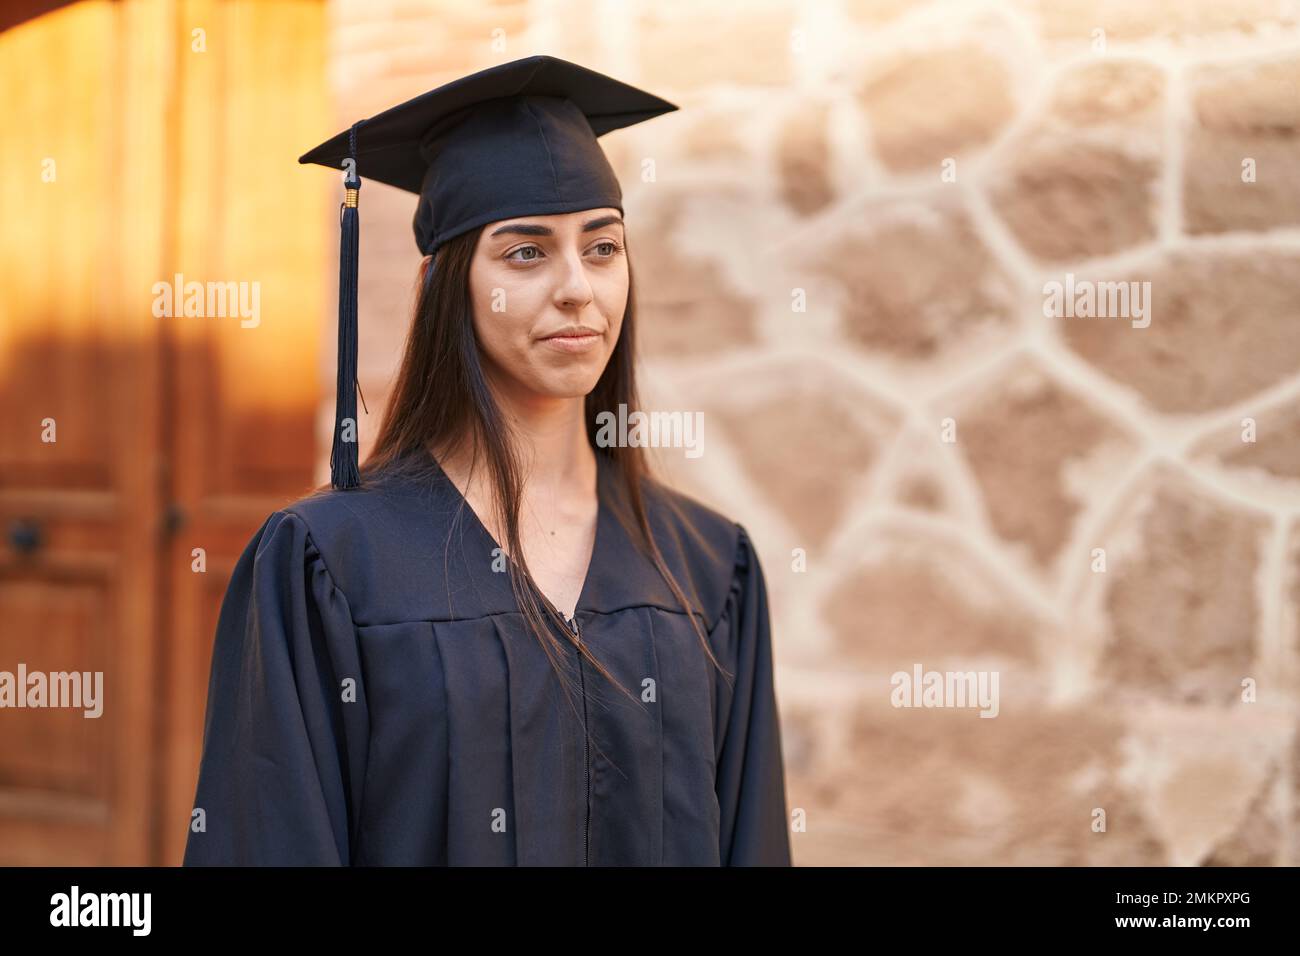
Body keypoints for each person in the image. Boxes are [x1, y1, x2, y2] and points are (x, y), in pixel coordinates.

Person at [182, 55, 791, 866]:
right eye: (526, 254)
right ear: (448, 285)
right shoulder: (332, 563)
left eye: (602, 248)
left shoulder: (710, 566)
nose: (578, 287)